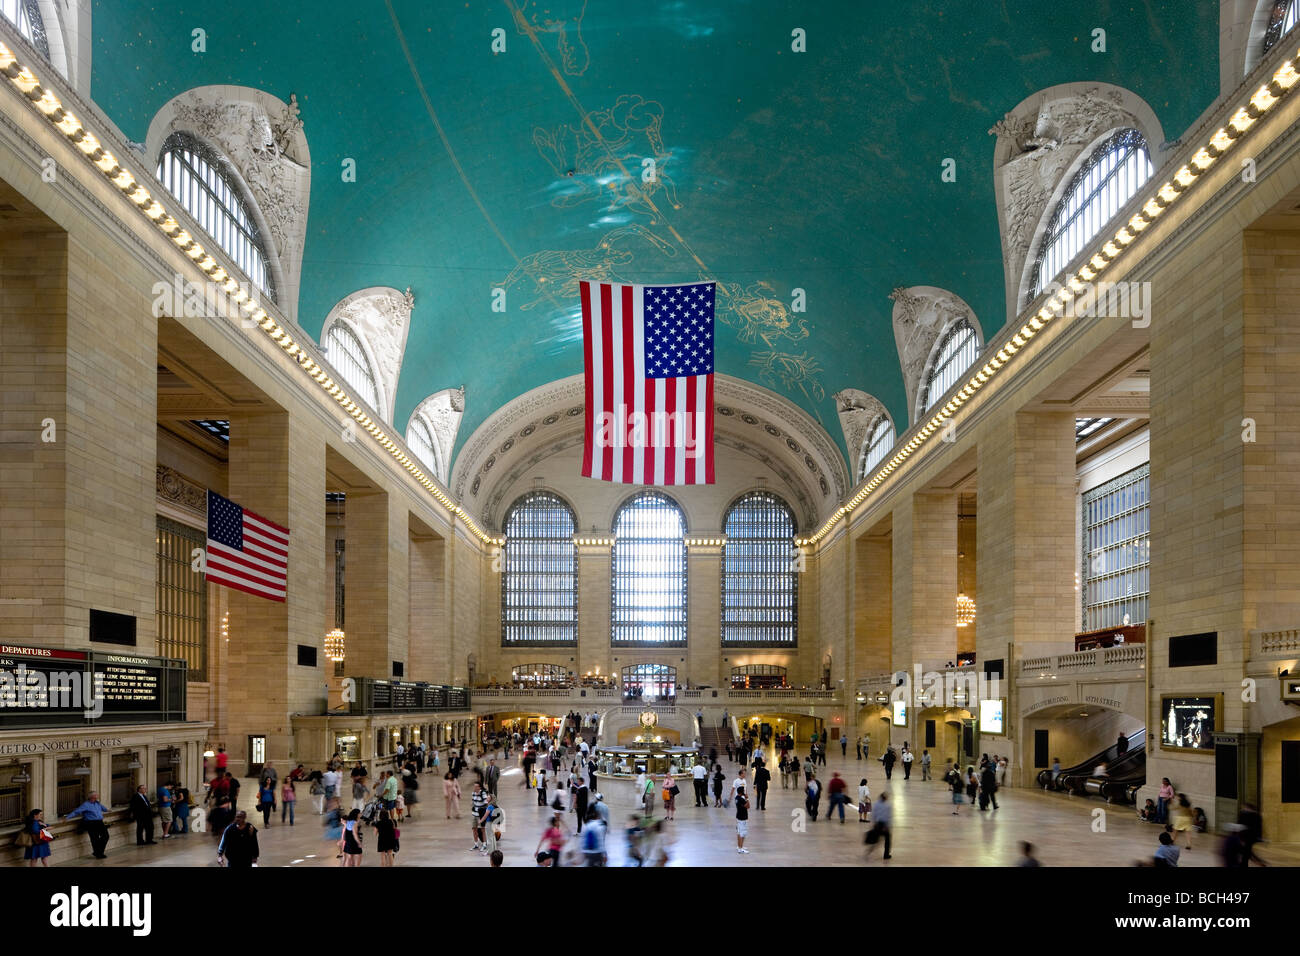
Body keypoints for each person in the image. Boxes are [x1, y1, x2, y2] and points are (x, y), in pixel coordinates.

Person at [65, 792, 109, 858]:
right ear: (92, 797)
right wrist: (68, 817)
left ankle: (98, 851)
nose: (98, 796)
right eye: (96, 795)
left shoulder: (97, 803)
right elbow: (77, 811)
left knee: (106, 836)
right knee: (95, 838)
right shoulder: (86, 804)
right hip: (91, 823)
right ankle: (99, 853)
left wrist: (107, 810)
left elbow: (103, 809)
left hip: (100, 822)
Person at [864, 791, 892, 860]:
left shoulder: (876, 804)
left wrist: (873, 824)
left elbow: (873, 814)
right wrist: (887, 826)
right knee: (887, 840)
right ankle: (886, 854)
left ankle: (868, 852)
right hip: (884, 825)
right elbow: (888, 817)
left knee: (875, 839)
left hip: (877, 825)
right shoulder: (887, 805)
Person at [734, 785, 750, 854]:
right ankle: (740, 849)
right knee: (742, 834)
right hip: (742, 818)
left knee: (739, 832)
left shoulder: (737, 798)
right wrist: (747, 799)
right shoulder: (741, 799)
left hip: (739, 817)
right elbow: (748, 806)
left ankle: (739, 846)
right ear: (741, 792)